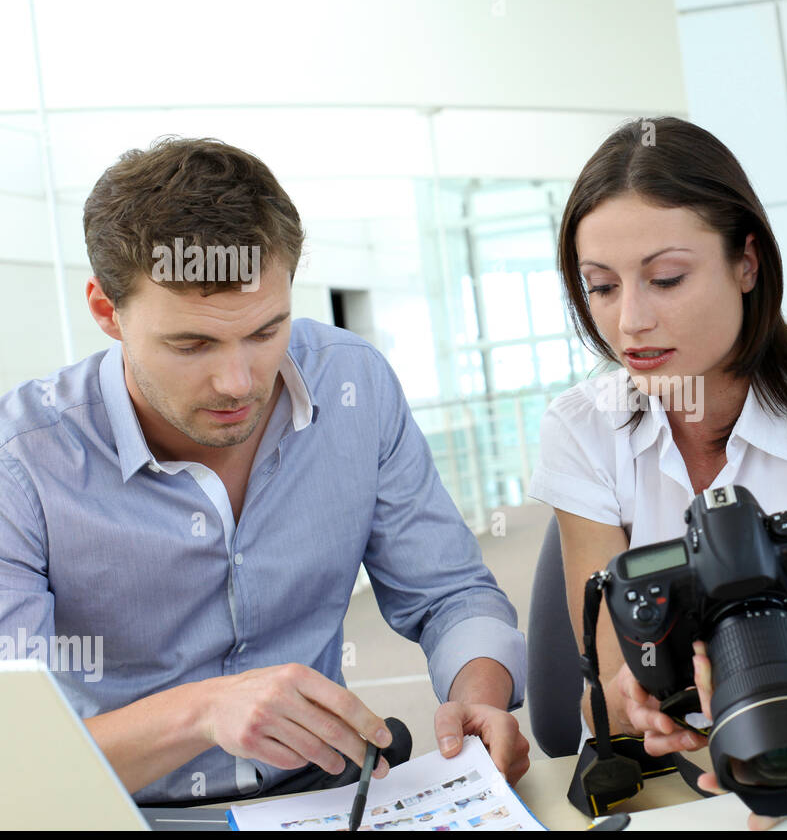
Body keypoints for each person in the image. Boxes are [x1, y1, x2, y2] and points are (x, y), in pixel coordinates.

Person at [0, 137, 529, 805]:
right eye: (192, 344)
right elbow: (12, 752)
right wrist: (201, 712)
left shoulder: (352, 383)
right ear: (108, 312)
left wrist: (479, 696)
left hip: (328, 798)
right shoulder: (20, 462)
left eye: (264, 331)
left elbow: (450, 593)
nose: (238, 381)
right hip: (120, 810)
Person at [527, 116, 787, 773]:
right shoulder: (580, 428)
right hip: (677, 786)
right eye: (601, 287)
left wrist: (783, 688)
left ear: (746, 262)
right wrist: (636, 706)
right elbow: (605, 689)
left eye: (666, 279)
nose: (630, 320)